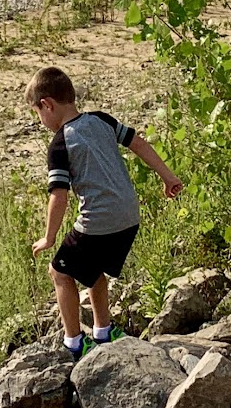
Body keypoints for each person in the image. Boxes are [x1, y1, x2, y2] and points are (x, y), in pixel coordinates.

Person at [26, 65, 181, 358]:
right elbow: (137, 142)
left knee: (59, 271)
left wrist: (48, 238)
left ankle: (73, 342)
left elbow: (58, 196)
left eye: (38, 113)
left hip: (99, 221)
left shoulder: (60, 143)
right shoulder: (101, 120)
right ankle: (103, 330)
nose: (40, 120)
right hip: (129, 216)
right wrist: (167, 175)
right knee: (92, 268)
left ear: (47, 105)